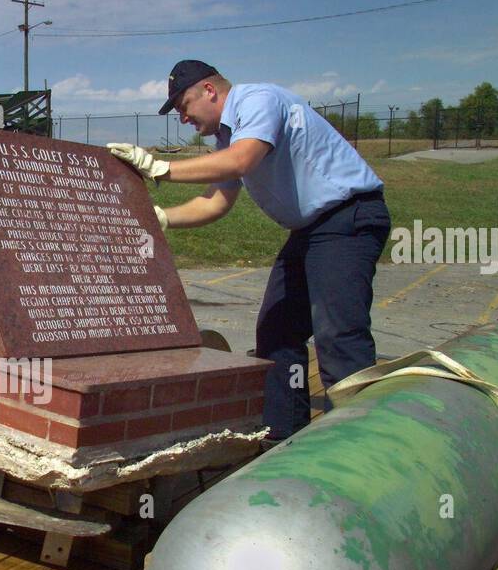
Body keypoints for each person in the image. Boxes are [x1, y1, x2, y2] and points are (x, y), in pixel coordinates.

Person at [108, 60, 392, 443]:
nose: (184, 117)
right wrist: (160, 218)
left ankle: (363, 444)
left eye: (184, 105)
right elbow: (215, 203)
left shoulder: (258, 100)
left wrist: (158, 167)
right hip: (311, 229)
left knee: (338, 334)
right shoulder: (228, 140)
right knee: (276, 332)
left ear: (210, 90)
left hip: (347, 220)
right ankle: (282, 437)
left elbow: (243, 160)